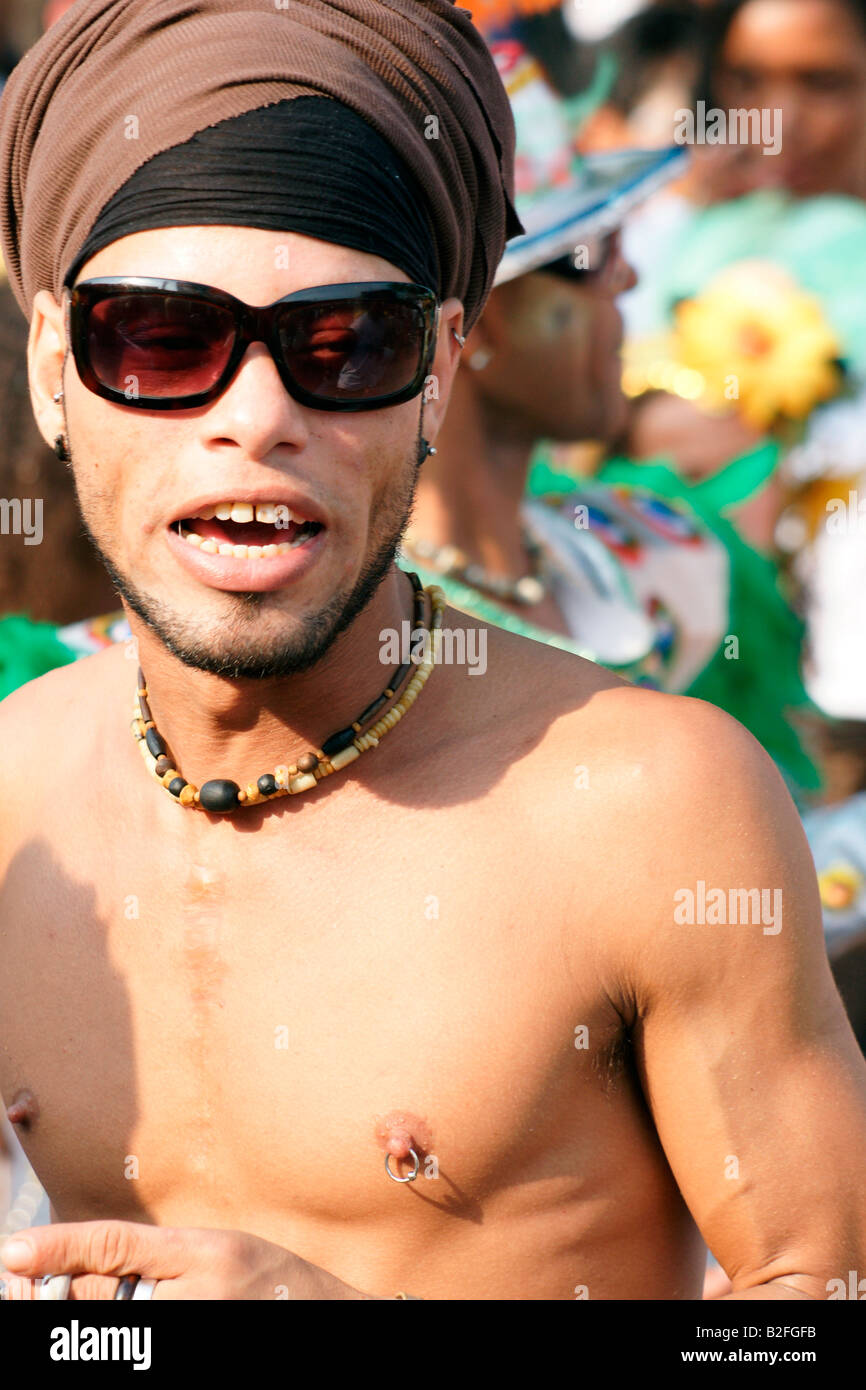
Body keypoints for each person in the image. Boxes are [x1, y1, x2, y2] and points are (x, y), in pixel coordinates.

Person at [0, 0, 865, 1303]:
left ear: (444, 370)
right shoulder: (14, 802)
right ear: (55, 366)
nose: (257, 417)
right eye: (163, 339)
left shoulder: (649, 802)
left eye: (349, 346)